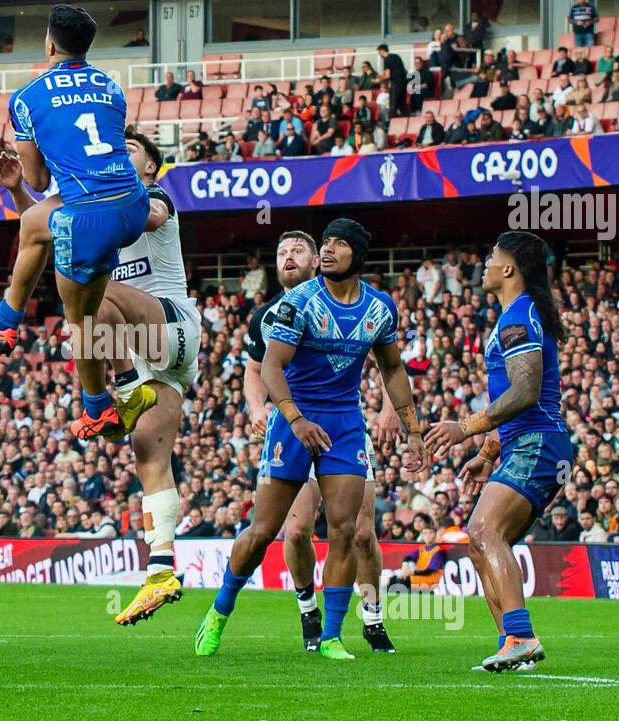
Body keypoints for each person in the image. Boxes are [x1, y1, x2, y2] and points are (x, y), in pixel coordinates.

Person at [195, 218, 426, 661]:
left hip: (343, 422)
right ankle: (219, 611)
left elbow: (393, 369)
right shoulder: (296, 303)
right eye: (326, 243)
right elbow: (271, 368)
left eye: (339, 244)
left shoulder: (380, 308)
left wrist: (412, 430)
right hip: (292, 420)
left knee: (346, 530)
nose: (328, 250)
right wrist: (294, 418)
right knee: (264, 531)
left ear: (358, 255)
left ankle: (333, 636)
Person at [0, 4, 158, 441]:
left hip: (88, 217)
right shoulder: (111, 86)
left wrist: (24, 171)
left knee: (80, 321)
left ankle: (97, 409)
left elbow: (40, 178)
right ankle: (5, 322)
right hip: (131, 204)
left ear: (49, 43)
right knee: (33, 225)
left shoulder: (27, 98)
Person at [241, 231, 399, 653]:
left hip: (345, 425)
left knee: (360, 533)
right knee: (294, 531)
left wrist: (388, 408)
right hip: (294, 429)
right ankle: (310, 611)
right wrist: (259, 408)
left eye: (297, 251)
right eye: (280, 251)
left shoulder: (366, 304)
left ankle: (372, 617)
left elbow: (389, 361)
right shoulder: (266, 316)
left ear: (316, 261)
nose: (287, 257)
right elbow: (257, 370)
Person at [425, 231, 573, 672]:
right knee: (481, 540)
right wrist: (489, 451)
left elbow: (526, 391)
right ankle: (512, 641)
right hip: (528, 445)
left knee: (485, 530)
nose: (483, 264)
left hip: (537, 442)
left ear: (509, 268)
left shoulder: (518, 318)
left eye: (491, 257)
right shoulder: (517, 315)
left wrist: (467, 428)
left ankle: (522, 636)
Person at [96, 128, 204, 625]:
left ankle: (120, 394)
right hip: (152, 356)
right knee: (150, 457)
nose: (122, 154)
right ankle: (161, 570)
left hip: (174, 325)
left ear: (150, 168)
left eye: (131, 150)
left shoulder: (155, 196)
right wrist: (16, 191)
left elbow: (153, 213)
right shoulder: (110, 217)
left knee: (90, 286)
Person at [377, 43, 408, 119]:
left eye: (379, 52)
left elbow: (387, 75)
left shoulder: (387, 59)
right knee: (402, 103)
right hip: (403, 82)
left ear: (381, 51)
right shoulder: (396, 56)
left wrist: (378, 80)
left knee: (393, 104)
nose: (379, 54)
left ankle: (392, 121)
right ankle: (406, 118)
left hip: (395, 84)